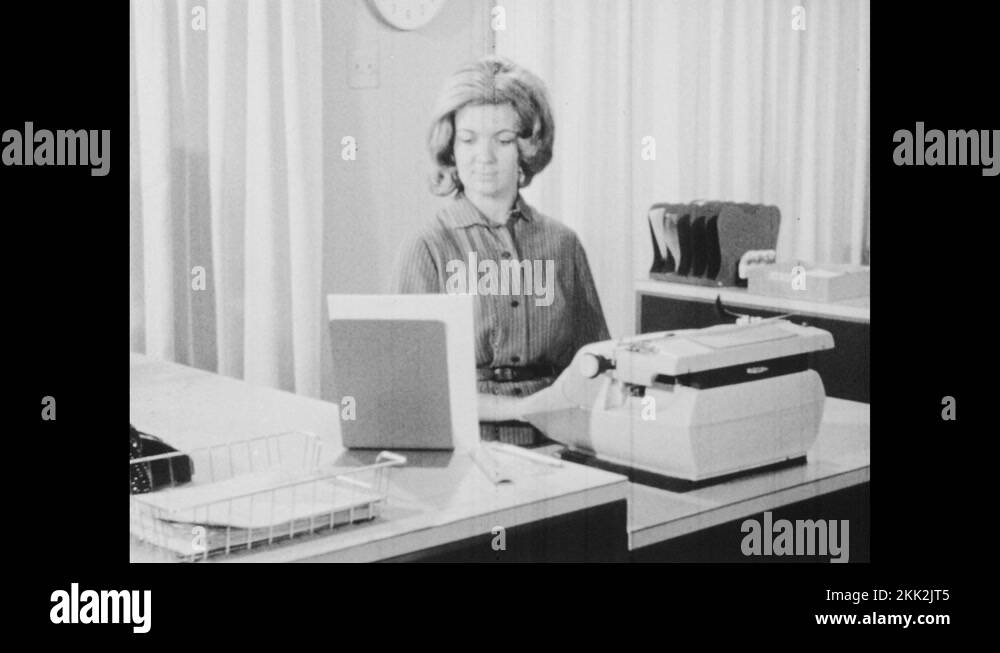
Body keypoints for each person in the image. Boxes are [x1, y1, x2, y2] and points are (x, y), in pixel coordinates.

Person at [393, 56, 609, 446]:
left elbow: (594, 368)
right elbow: (413, 389)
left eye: (503, 140)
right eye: (469, 139)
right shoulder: (427, 248)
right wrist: (519, 409)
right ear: (451, 147)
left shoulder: (563, 245)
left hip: (557, 444)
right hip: (463, 450)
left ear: (528, 148)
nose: (485, 156)